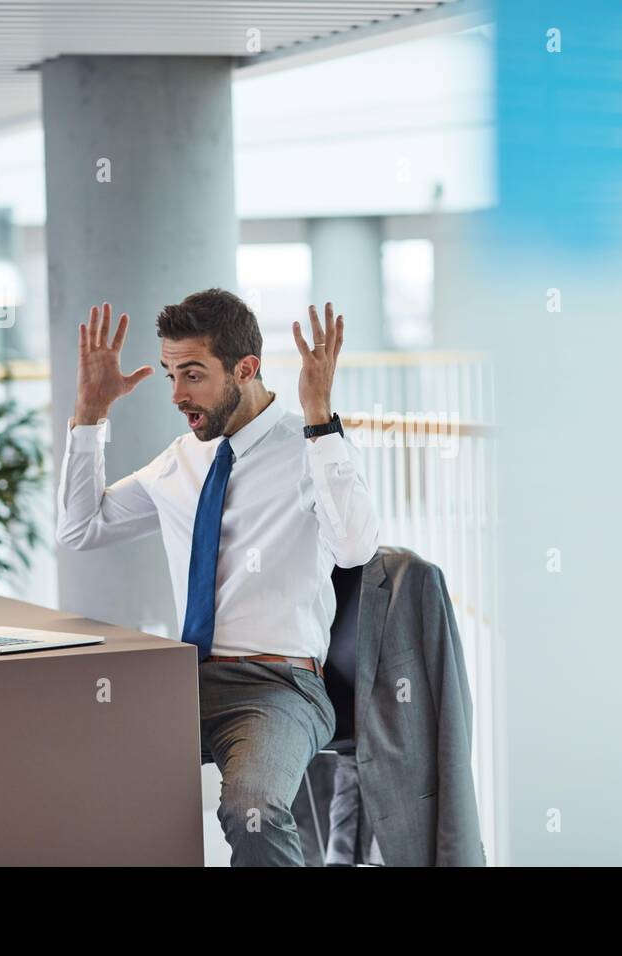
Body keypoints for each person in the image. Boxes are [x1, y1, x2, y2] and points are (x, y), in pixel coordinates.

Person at [56, 288, 379, 866]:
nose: (177, 395)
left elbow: (355, 549)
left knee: (253, 809)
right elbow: (81, 528)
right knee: (74, 771)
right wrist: (89, 414)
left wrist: (319, 420)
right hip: (183, 682)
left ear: (245, 369)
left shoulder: (311, 447)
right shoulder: (181, 459)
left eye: (193, 375)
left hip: (280, 687)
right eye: (170, 375)